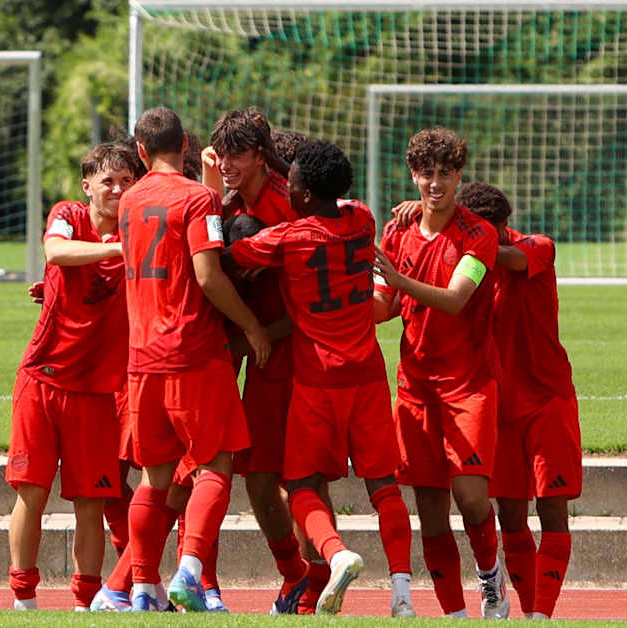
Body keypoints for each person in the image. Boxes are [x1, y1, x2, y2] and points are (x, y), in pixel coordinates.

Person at [229, 140, 415, 616]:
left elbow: (236, 252)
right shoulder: (363, 219)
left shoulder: (290, 238)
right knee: (384, 486)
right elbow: (338, 200)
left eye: (290, 183)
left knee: (301, 484)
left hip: (318, 381)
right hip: (369, 377)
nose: (285, 187)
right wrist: (277, 159)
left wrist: (227, 210)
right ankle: (402, 595)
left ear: (306, 195)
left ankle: (336, 554)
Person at [117, 106, 270, 612]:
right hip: (193, 352)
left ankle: (140, 588)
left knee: (154, 478)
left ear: (140, 152)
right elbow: (207, 275)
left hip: (142, 358)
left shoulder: (128, 200)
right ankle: (189, 569)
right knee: (214, 467)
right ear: (185, 143)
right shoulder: (198, 196)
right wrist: (251, 324)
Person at [372, 127, 508, 619]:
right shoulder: (396, 232)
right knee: (430, 514)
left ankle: (492, 580)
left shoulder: (480, 235)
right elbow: (384, 305)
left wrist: (398, 279)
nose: (435, 183)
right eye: (426, 173)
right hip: (415, 389)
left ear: (459, 176)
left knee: (471, 500)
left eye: (445, 174)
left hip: (468, 387)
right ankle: (453, 615)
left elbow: (454, 300)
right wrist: (336, 314)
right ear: (413, 174)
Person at [4, 142, 137, 611]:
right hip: (43, 378)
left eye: (126, 181)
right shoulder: (68, 215)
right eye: (108, 181)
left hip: (99, 390)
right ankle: (24, 600)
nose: (118, 189)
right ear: (87, 188)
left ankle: (86, 605)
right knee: (32, 492)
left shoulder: (137, 226)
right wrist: (121, 248)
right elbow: (56, 252)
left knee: (91, 504)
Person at [200, 108, 315, 615]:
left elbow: (311, 301)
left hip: (287, 349)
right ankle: (292, 578)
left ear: (260, 157)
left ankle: (308, 585)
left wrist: (257, 336)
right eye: (220, 153)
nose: (226, 163)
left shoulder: (283, 207)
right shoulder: (228, 204)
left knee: (284, 476)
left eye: (237, 155)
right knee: (227, 471)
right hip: (245, 341)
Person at [459, 182, 580, 620]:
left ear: (502, 228)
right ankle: (527, 610)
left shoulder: (536, 247)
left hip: (549, 399)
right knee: (510, 517)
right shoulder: (470, 270)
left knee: (552, 511)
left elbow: (505, 257)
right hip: (502, 408)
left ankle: (542, 615)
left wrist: (453, 234)